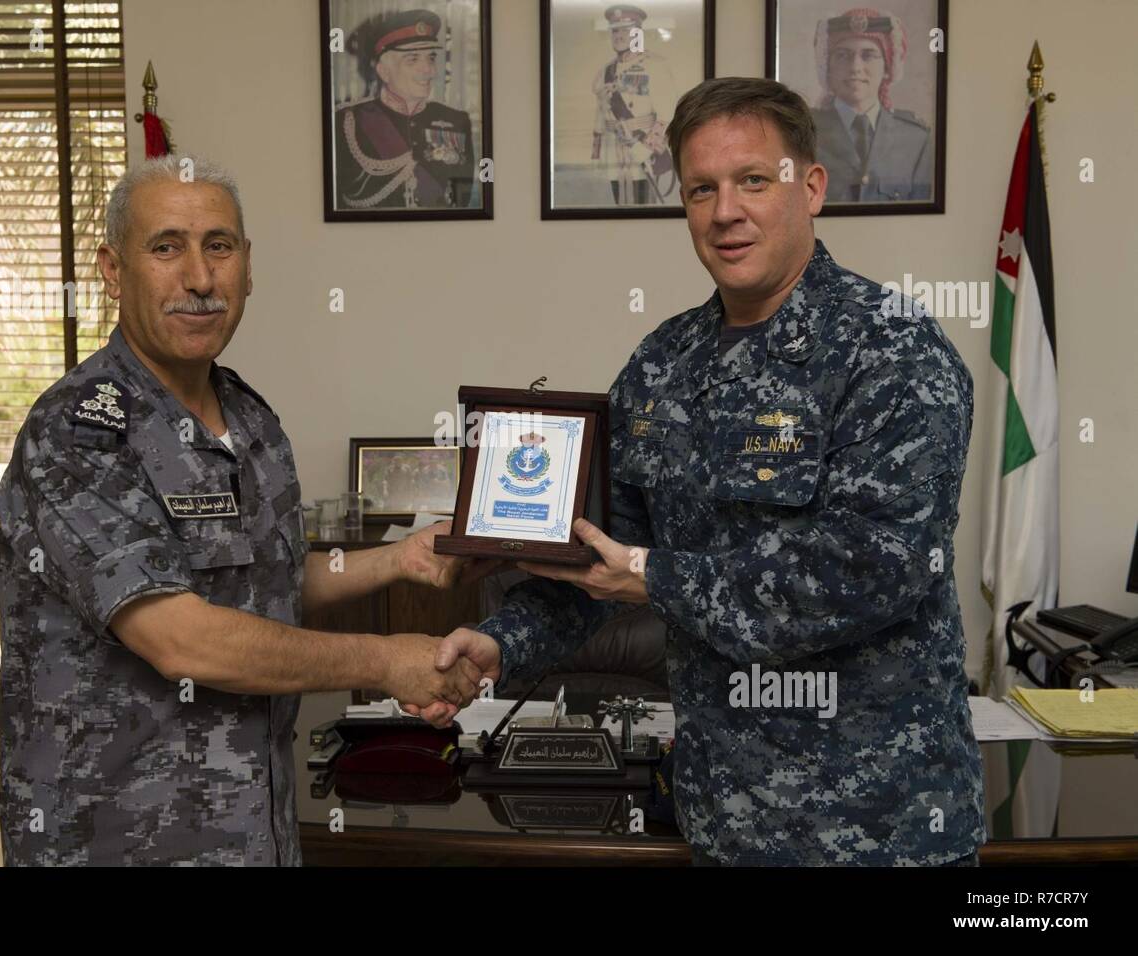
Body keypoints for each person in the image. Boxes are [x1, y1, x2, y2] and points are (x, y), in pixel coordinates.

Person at [419, 77, 985, 866]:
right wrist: (499, 644)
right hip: (719, 821)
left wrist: (657, 578)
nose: (726, 211)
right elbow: (597, 549)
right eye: (701, 189)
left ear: (811, 187)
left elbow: (871, 569)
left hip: (878, 828)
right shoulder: (662, 363)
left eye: (754, 180)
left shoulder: (892, 352)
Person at [0, 155, 484, 866]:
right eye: (167, 248)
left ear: (248, 267)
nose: (199, 278)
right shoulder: (78, 431)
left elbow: (265, 584)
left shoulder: (250, 419)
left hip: (253, 834)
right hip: (118, 843)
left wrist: (401, 558)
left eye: (218, 247)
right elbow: (181, 637)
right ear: (111, 270)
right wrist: (386, 661)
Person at [334, 9, 476, 210]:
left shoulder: (456, 120)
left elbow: (462, 199)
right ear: (384, 71)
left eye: (431, 58)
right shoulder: (346, 121)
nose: (429, 70)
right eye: (413, 60)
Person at [810, 7, 932, 202]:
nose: (855, 67)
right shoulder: (804, 133)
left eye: (868, 55)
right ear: (828, 67)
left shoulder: (916, 140)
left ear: (887, 66)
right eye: (843, 55)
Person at [590, 4, 681, 204]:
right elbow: (601, 112)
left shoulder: (655, 65)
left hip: (642, 147)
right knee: (617, 207)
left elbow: (669, 114)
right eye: (615, 30)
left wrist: (646, 149)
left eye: (625, 30)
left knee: (645, 208)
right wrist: (596, 154)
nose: (619, 36)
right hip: (613, 151)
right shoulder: (605, 71)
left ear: (638, 33)